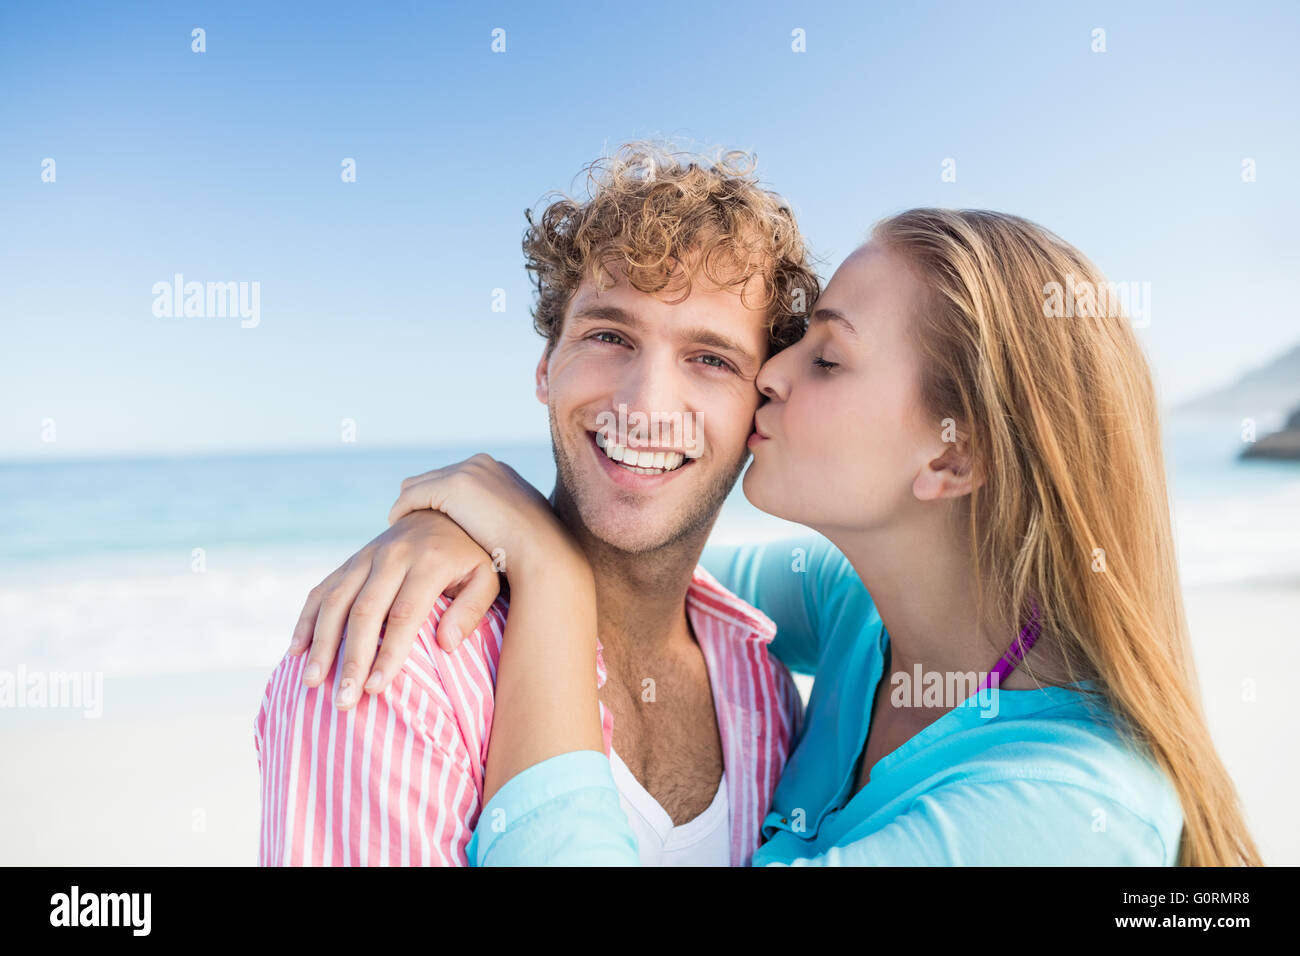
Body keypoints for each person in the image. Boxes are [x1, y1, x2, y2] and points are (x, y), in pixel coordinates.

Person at [328, 209, 1261, 866]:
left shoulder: (1060, 807)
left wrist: (549, 579)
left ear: (951, 456)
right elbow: (651, 573)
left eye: (825, 358)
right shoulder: (861, 611)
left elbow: (585, 578)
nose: (767, 374)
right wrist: (469, 528)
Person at [254, 142, 821, 865]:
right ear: (545, 369)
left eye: (710, 358)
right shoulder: (393, 661)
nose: (646, 404)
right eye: (609, 335)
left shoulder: (760, 683)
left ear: (761, 407)